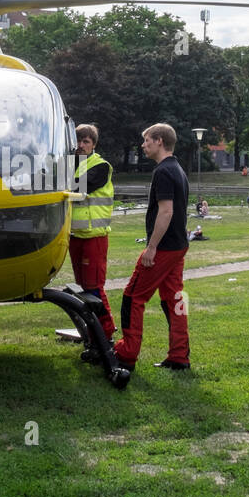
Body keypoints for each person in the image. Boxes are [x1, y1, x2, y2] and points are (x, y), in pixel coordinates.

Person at [113, 123, 189, 372]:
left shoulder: (163, 172)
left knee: (133, 296)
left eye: (146, 141)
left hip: (165, 248)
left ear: (158, 141)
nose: (143, 145)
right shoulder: (178, 169)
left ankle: (127, 353)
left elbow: (166, 212)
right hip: (179, 245)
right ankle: (179, 356)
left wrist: (151, 247)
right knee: (174, 299)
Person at [69, 124, 117, 340]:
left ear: (94, 145)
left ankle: (106, 332)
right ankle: (93, 330)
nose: (81, 145)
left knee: (94, 288)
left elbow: (77, 186)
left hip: (94, 237)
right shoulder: (70, 164)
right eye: (78, 141)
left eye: (86, 141)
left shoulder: (101, 166)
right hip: (76, 236)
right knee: (83, 287)